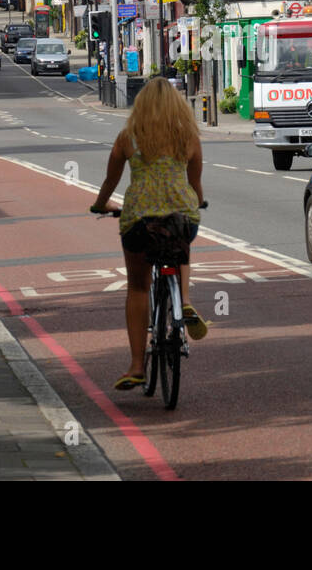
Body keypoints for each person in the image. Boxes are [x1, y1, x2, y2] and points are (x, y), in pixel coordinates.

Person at [90, 76, 207, 390]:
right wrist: (199, 200)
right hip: (181, 217)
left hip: (140, 220)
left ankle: (137, 366)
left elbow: (110, 181)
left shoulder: (129, 137)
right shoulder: (188, 137)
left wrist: (100, 205)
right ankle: (183, 300)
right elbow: (195, 186)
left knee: (138, 287)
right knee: (178, 238)